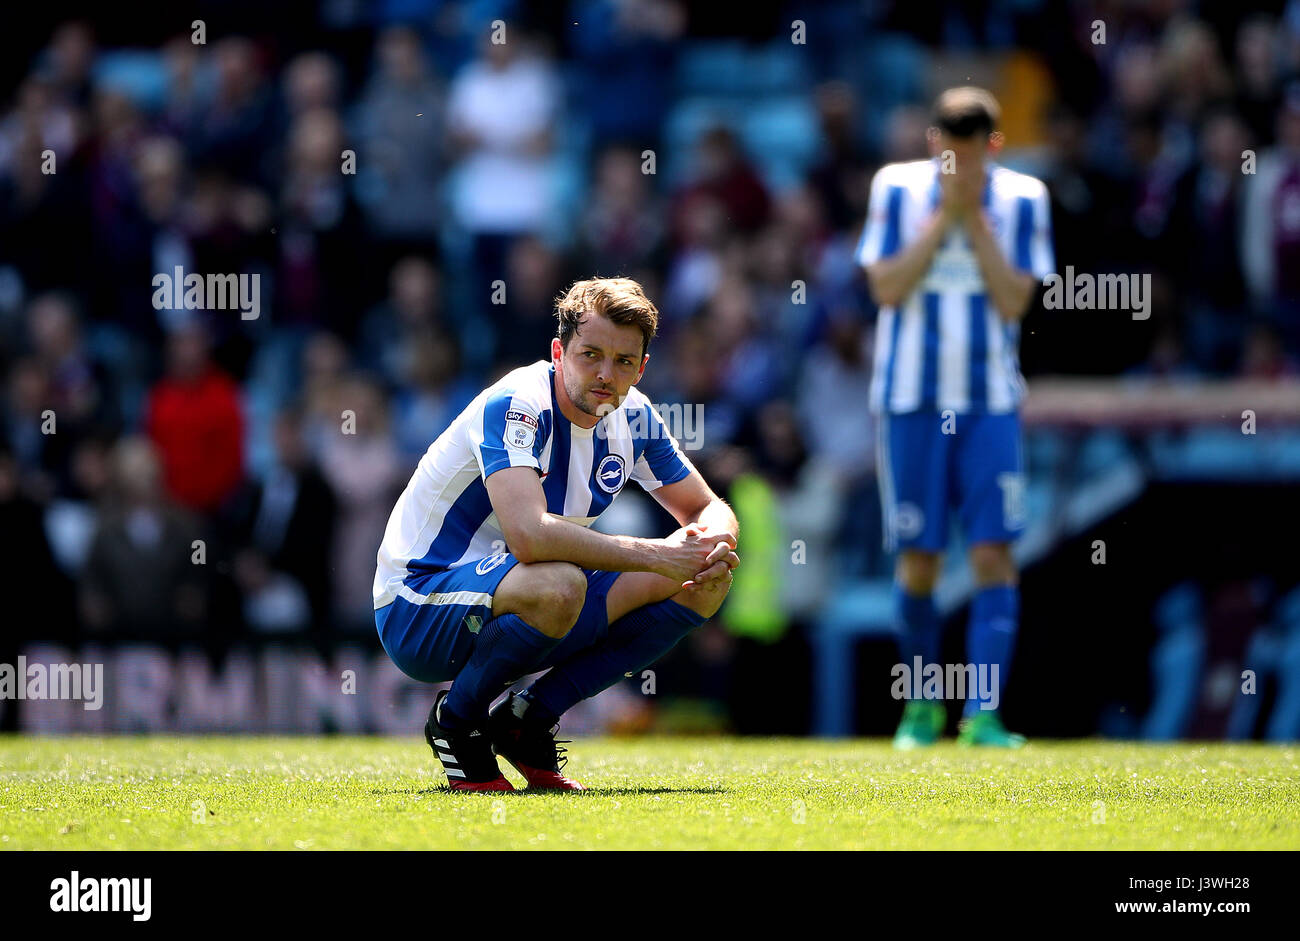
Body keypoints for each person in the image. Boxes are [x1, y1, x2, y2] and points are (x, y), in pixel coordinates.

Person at [373, 278, 739, 790]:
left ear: (642, 367)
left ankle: (527, 721)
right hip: (417, 602)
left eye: (624, 361)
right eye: (590, 354)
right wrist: (659, 554)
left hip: (524, 588)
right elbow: (529, 538)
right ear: (558, 351)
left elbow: (705, 505)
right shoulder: (518, 404)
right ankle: (456, 725)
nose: (606, 375)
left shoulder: (635, 416)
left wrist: (713, 544)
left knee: (707, 580)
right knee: (560, 584)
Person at [857, 87, 1054, 747]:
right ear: (932, 143)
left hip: (990, 402)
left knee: (995, 552)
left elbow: (1012, 300)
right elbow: (885, 287)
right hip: (911, 399)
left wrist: (973, 221)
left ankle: (984, 714)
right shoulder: (896, 188)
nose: (958, 170)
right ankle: (919, 707)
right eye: (948, 155)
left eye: (969, 159)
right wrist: (945, 219)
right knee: (919, 560)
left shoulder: (1025, 198)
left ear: (992, 149)